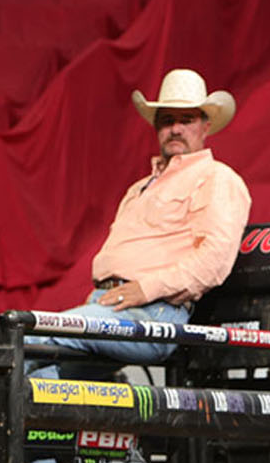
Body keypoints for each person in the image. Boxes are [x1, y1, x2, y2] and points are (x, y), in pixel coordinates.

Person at [28, 68, 251, 380]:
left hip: (153, 312)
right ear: (156, 128)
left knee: (30, 342)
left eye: (185, 120)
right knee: (38, 372)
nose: (175, 129)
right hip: (112, 308)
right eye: (166, 121)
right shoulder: (140, 188)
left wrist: (144, 289)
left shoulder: (217, 178)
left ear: (205, 126)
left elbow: (213, 260)